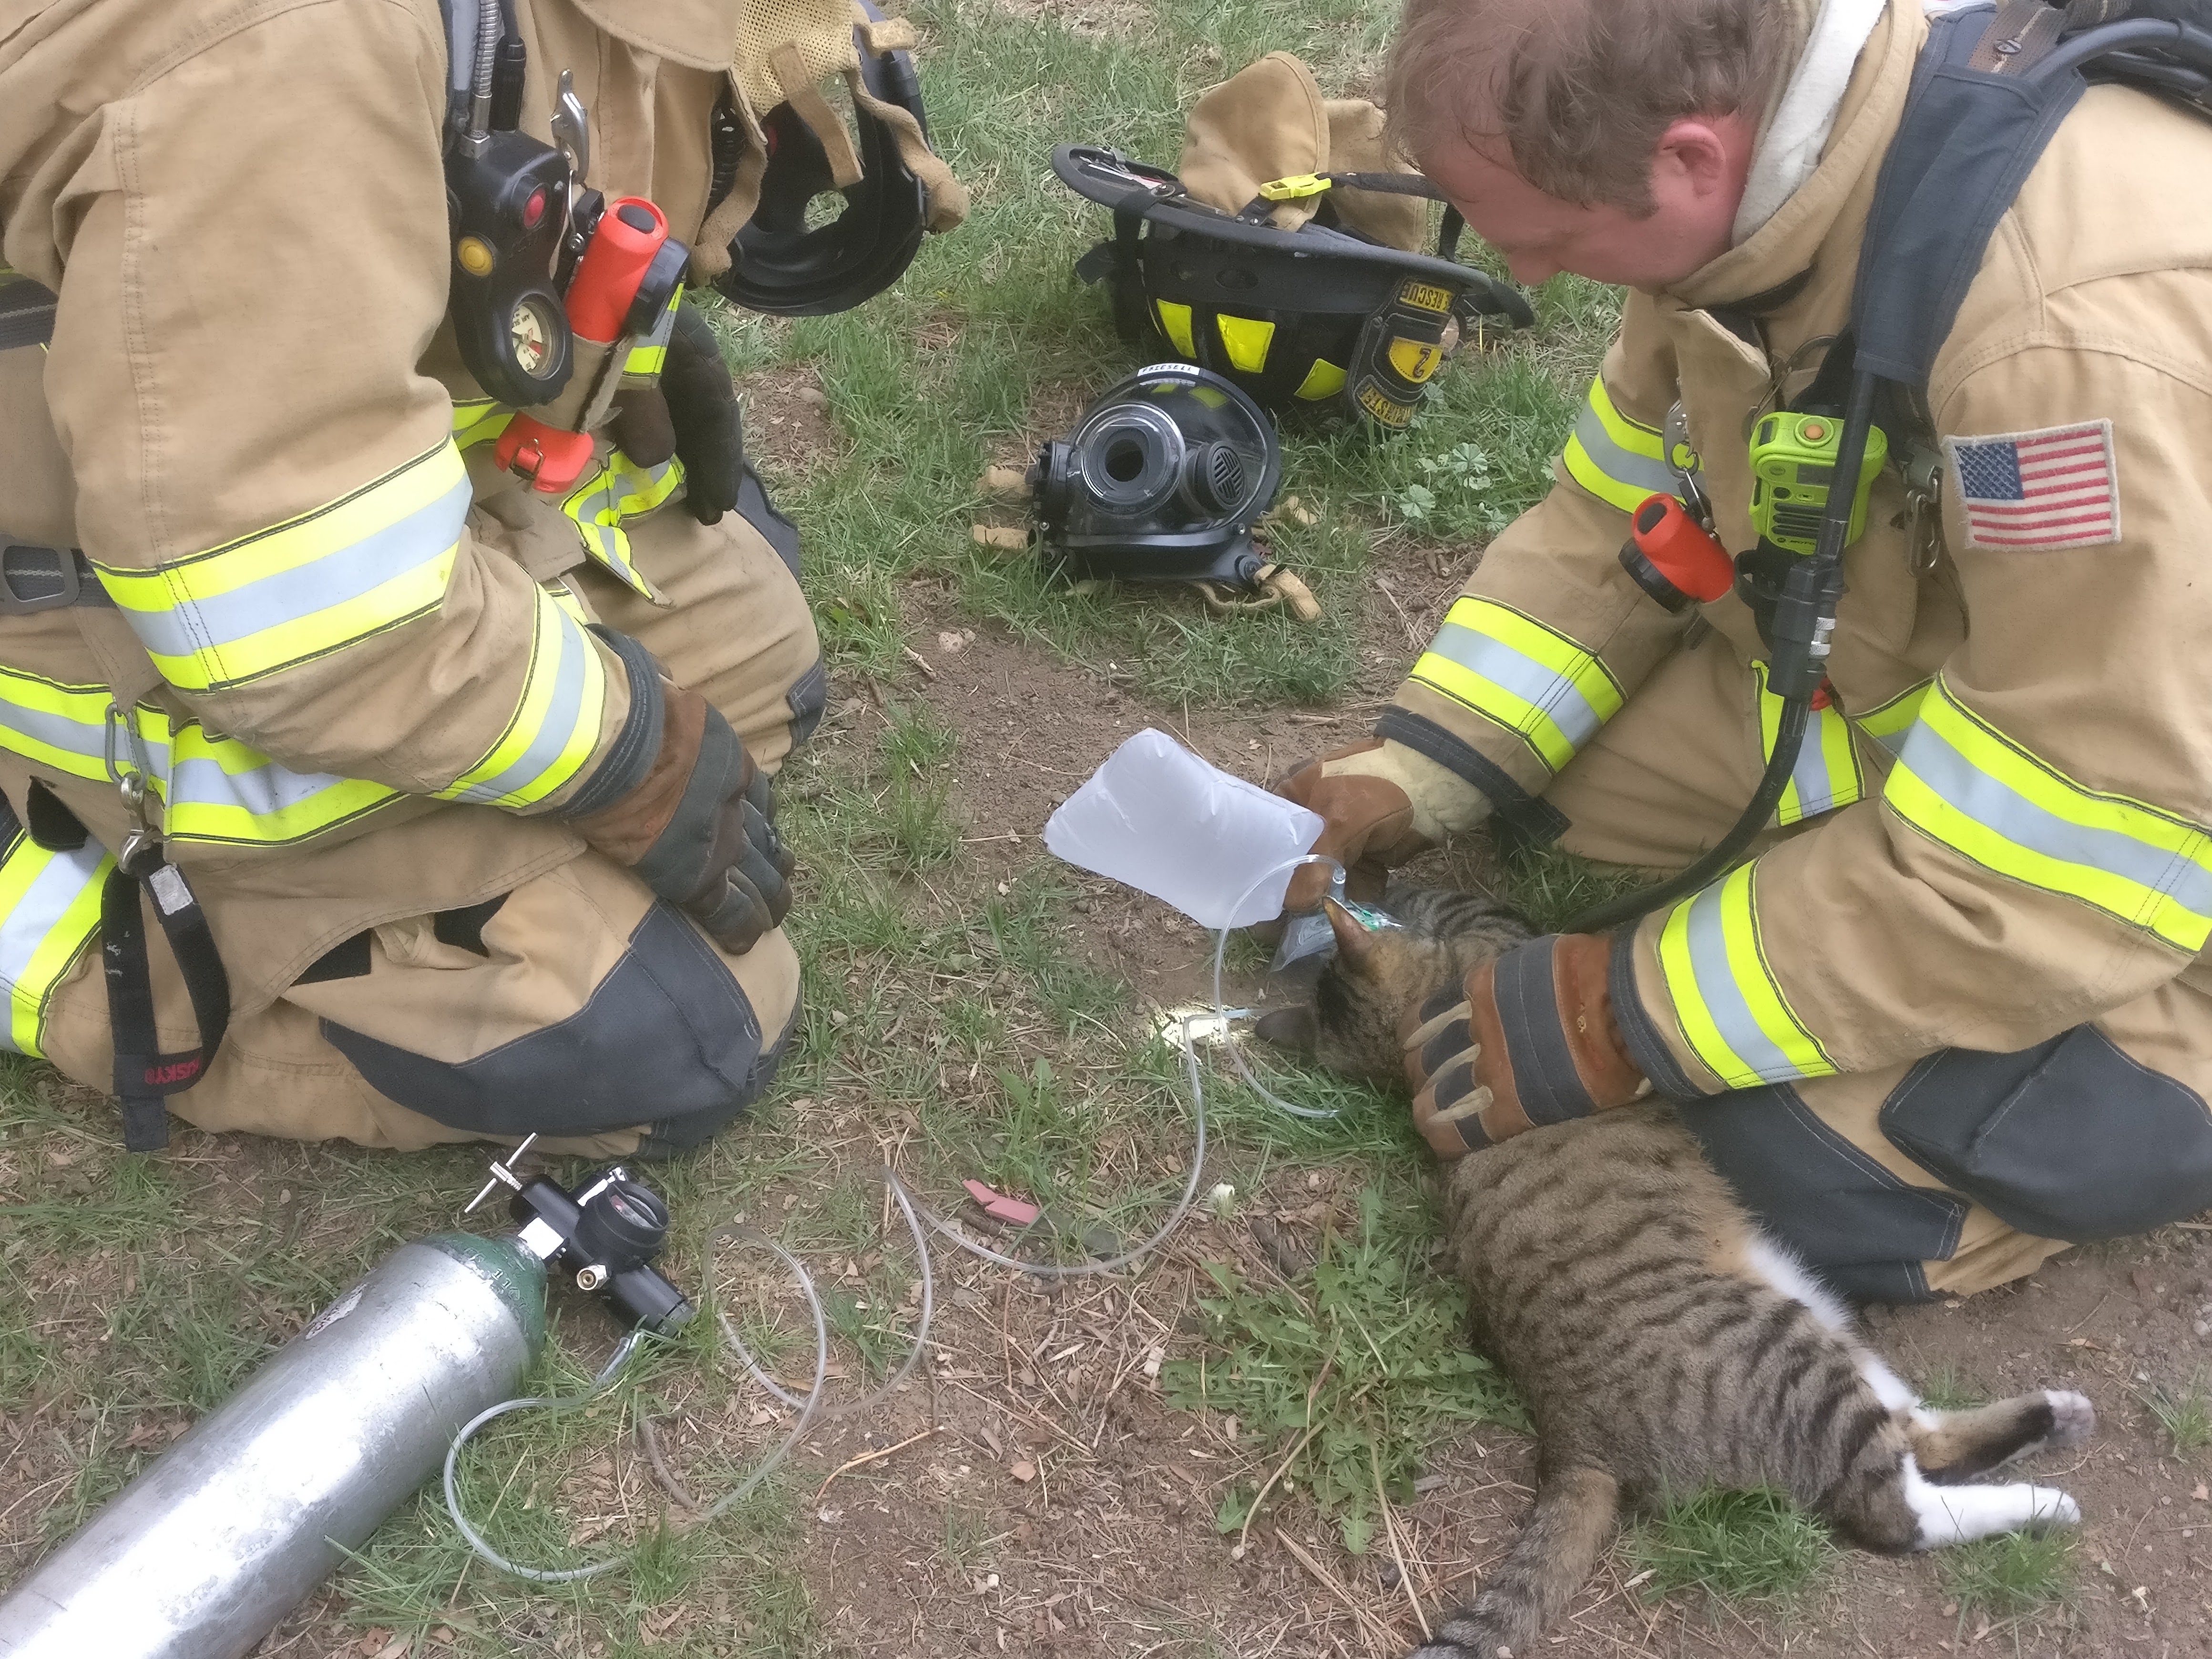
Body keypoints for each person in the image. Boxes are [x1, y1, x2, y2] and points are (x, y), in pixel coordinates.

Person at [1281, 0, 2212, 1301]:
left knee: (1789, 1179)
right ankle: (1858, 864)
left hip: (2144, 837)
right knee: (1553, 815)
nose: (1533, 280)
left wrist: (1626, 1014)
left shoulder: (2069, 352)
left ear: (1689, 159)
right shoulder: (1755, 200)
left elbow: (2084, 825)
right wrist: (1423, 769)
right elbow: (1619, 510)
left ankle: (2168, 1055)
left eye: (1544, 239)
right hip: (1930, 696)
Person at [0, 0, 932, 1157]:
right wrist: (621, 753)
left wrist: (620, 348)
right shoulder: (274, 57)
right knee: (676, 1031)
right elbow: (294, 605)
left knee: (766, 674)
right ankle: (73, 930)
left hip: (315, 501)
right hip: (195, 606)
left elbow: (496, 170)